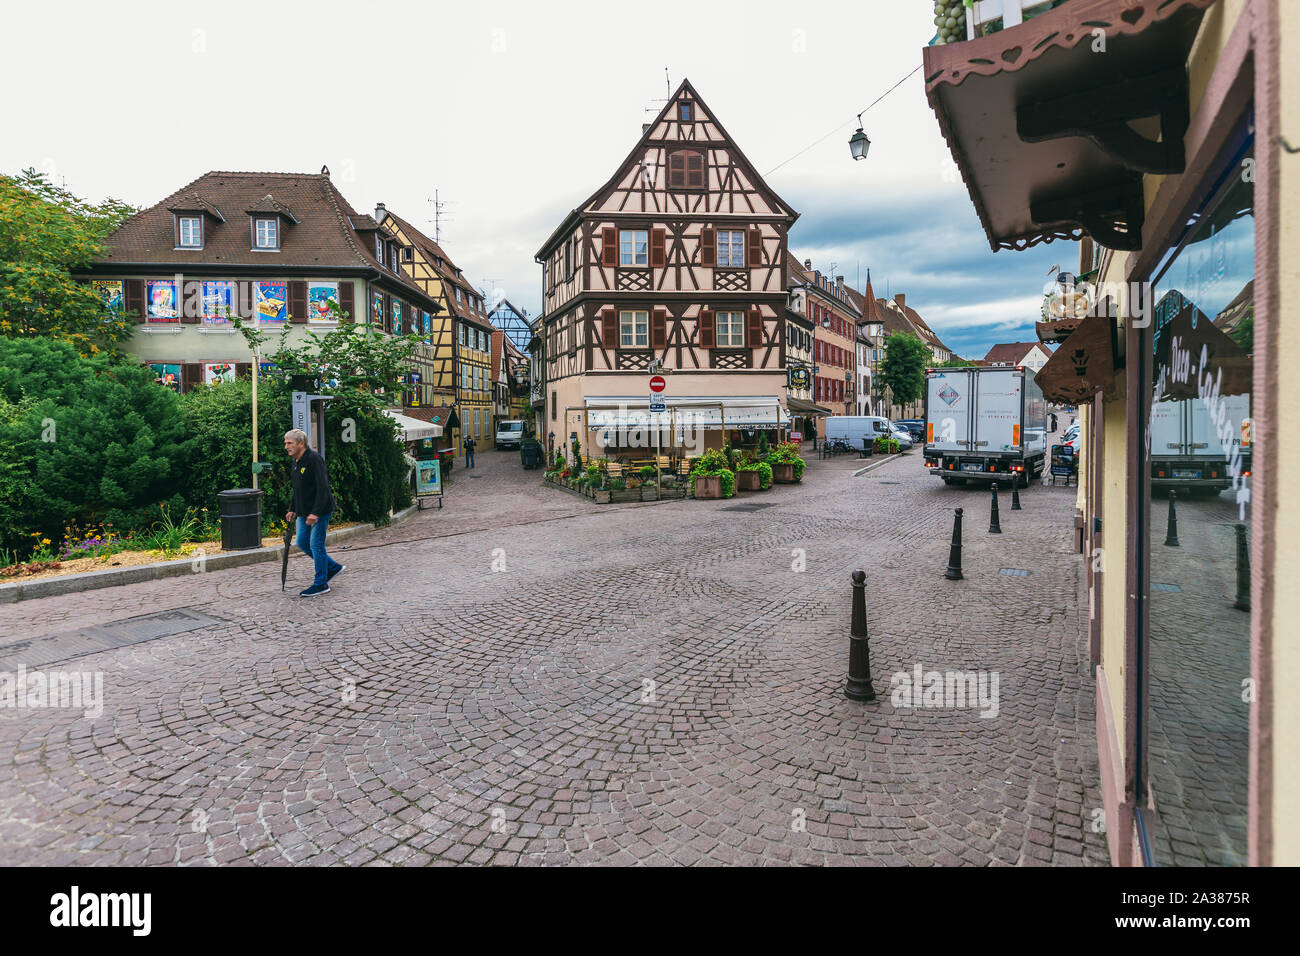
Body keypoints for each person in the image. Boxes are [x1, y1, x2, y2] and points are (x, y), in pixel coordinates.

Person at [283, 429, 343, 597]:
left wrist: (315, 513)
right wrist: (292, 508)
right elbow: (297, 489)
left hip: (320, 510)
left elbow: (323, 488)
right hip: (304, 512)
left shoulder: (314, 459)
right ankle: (332, 567)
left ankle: (321, 583)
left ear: (301, 443)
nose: (286, 446)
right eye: (286, 443)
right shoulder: (295, 461)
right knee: (302, 542)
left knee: (316, 545)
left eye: (289, 443)